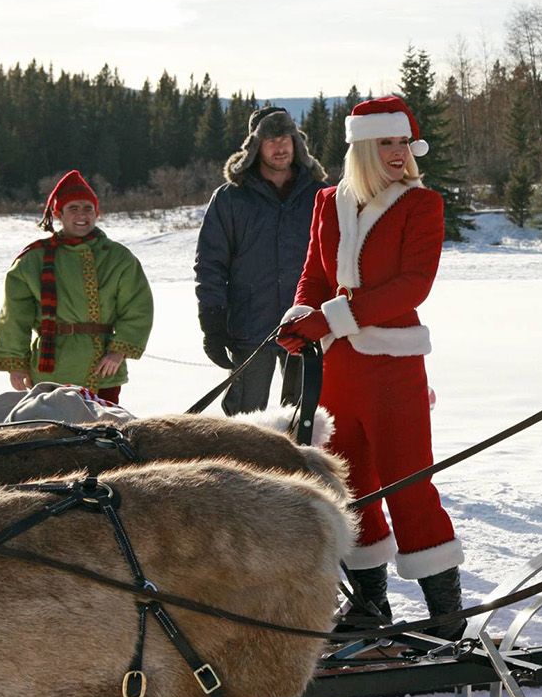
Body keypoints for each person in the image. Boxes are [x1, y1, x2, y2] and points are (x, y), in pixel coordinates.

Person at [276, 95, 464, 637]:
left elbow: (412, 287)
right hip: (338, 371)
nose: (400, 153)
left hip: (392, 369)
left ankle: (446, 617)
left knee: (409, 484)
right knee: (348, 485)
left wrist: (330, 318)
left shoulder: (420, 205)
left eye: (404, 142)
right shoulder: (328, 202)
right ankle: (369, 605)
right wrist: (299, 317)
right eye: (387, 143)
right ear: (363, 146)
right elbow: (314, 274)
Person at [195, 106, 330, 415]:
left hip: (305, 325)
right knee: (243, 423)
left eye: (286, 137)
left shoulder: (321, 195)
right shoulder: (231, 198)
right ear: (255, 145)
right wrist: (212, 323)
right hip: (249, 328)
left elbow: (336, 261)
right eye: (270, 139)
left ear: (297, 142)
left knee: (304, 419)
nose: (280, 146)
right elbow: (210, 266)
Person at [0, 170, 154, 405]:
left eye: (88, 208)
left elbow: (138, 308)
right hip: (49, 367)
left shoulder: (119, 258)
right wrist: (16, 365)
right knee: (49, 433)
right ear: (58, 214)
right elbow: (15, 316)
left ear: (98, 213)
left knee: (102, 434)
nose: (81, 215)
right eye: (73, 208)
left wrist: (118, 351)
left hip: (103, 368)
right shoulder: (33, 259)